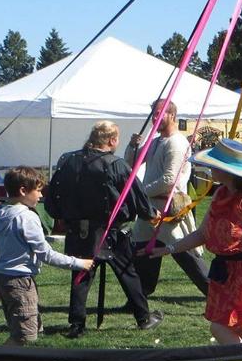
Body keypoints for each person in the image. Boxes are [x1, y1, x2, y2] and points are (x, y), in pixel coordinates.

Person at [150, 138, 242, 344]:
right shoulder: (222, 193)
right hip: (226, 274)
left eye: (214, 165)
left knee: (219, 327)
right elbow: (204, 233)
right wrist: (170, 248)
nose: (209, 168)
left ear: (228, 170)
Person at [45, 120, 160, 339]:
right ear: (111, 140)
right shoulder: (116, 164)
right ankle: (143, 318)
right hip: (110, 232)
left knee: (80, 275)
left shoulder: (67, 160)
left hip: (78, 231)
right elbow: (136, 195)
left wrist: (62, 216)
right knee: (127, 272)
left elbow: (52, 198)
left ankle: (77, 324)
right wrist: (151, 214)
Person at [0, 166, 95, 344]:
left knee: (31, 329)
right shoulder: (27, 217)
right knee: (24, 338)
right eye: (38, 190)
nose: (41, 196)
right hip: (20, 281)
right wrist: (79, 263)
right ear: (23, 190)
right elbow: (46, 254)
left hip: (4, 280)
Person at [132, 108, 211, 296]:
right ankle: (139, 299)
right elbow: (132, 162)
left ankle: (215, 294)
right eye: (153, 114)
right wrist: (132, 146)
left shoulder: (176, 143)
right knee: (142, 250)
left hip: (169, 207)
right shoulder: (156, 141)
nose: (155, 118)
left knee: (186, 254)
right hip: (150, 208)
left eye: (160, 113)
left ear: (172, 115)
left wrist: (140, 194)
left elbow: (169, 181)